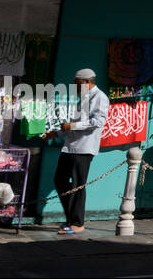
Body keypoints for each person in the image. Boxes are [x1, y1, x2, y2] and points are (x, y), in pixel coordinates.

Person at [42, 68, 108, 235]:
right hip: (70, 146)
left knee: (78, 185)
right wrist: (56, 133)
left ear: (86, 82)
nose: (75, 86)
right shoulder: (84, 98)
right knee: (60, 180)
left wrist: (72, 126)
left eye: (77, 84)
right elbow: (74, 123)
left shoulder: (100, 97)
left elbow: (97, 122)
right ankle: (71, 218)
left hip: (84, 148)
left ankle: (77, 223)